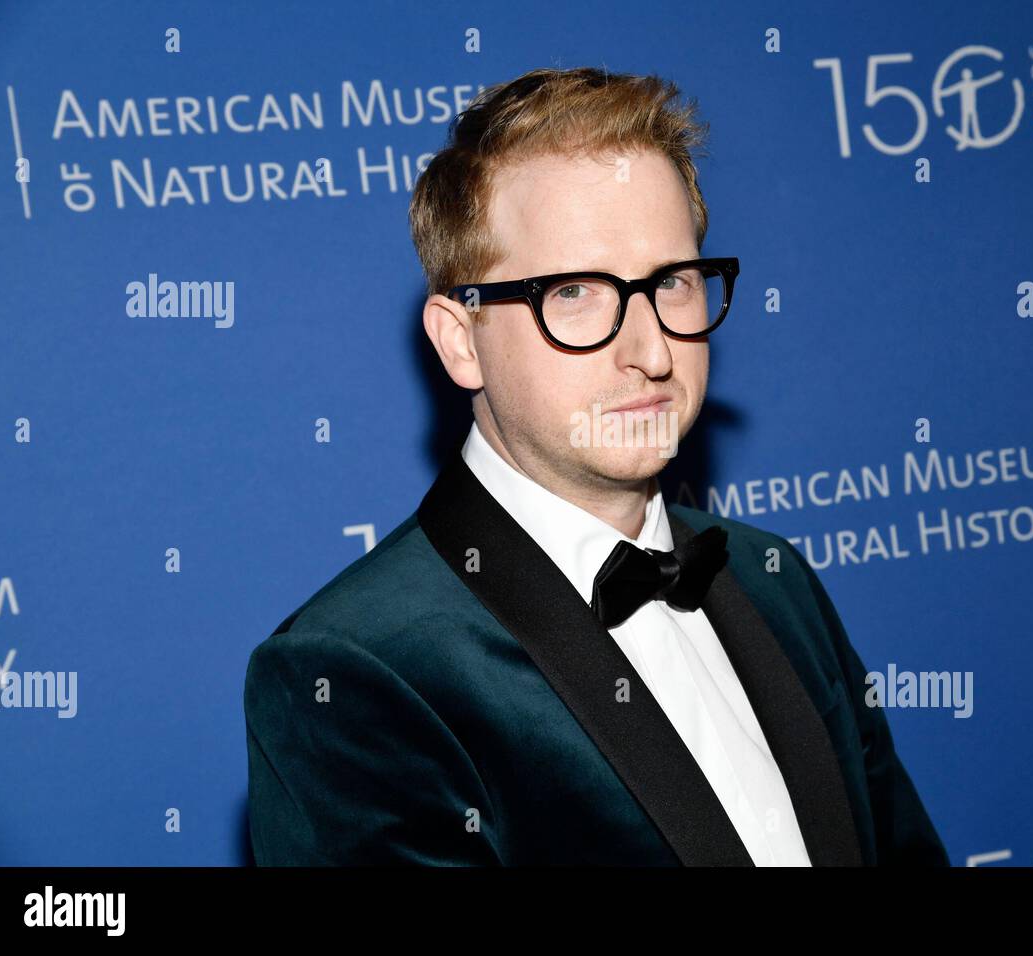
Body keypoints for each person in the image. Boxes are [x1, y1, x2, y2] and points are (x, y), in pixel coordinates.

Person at [244, 66, 950, 866]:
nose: (651, 352)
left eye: (673, 283)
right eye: (574, 292)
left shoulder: (770, 576)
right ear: (460, 339)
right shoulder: (357, 672)